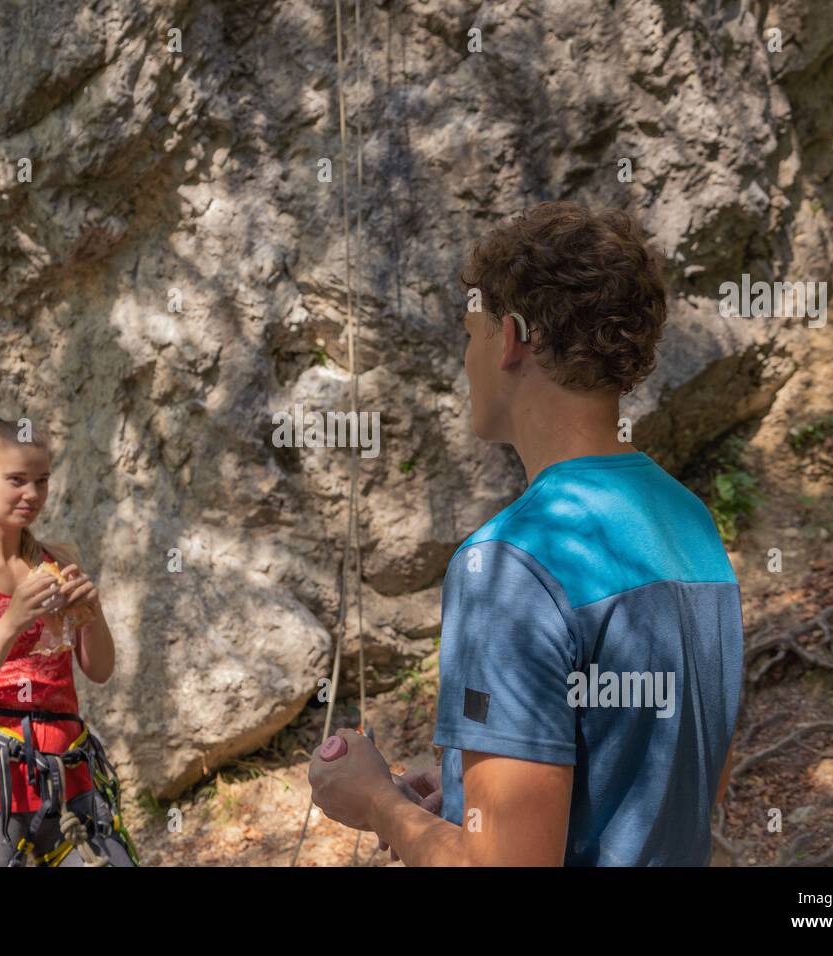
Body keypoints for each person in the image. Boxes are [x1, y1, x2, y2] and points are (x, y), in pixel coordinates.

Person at [308, 201, 742, 865]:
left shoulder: (508, 566)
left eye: (469, 333)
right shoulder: (689, 519)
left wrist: (378, 803)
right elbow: (690, 781)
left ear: (509, 338)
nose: (465, 359)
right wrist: (467, 798)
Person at [0, 417, 138, 866]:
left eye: (41, 481)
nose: (31, 495)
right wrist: (11, 621)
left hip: (68, 782)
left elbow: (99, 669)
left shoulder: (59, 561)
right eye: (16, 480)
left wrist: (92, 614)